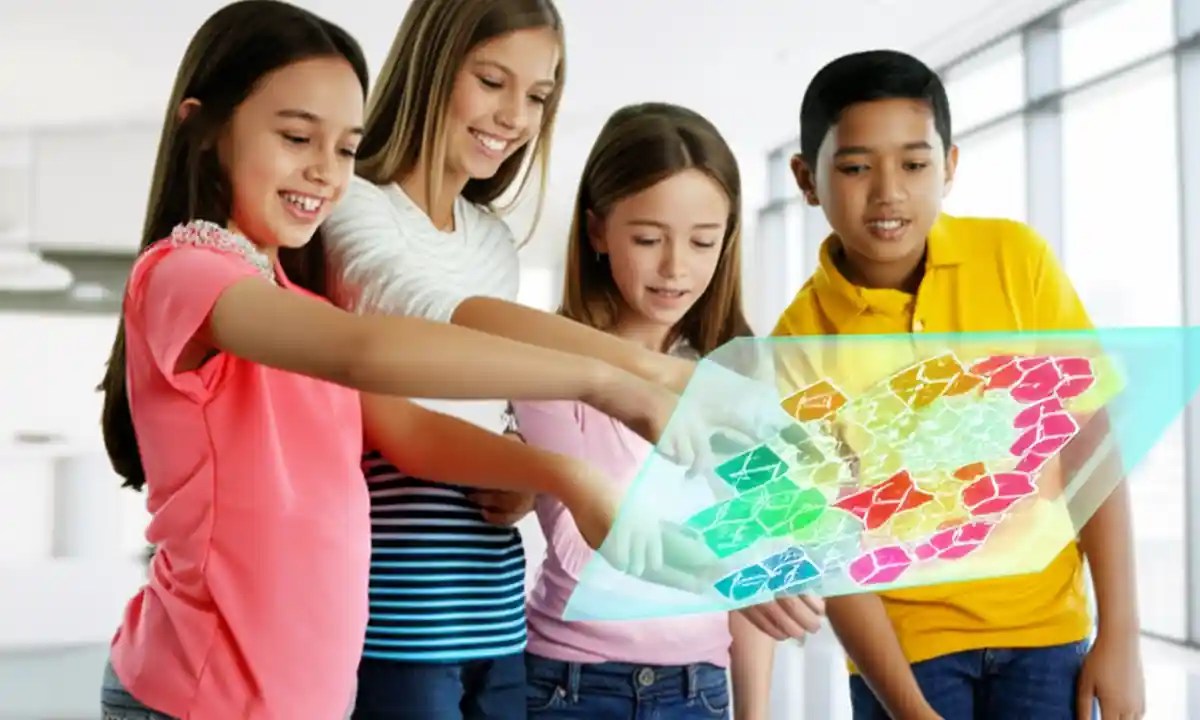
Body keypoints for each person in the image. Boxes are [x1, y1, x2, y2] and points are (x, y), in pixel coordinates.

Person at [94, 3, 679, 717]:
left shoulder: (294, 298)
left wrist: (559, 473)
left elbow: (407, 430)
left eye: (346, 148)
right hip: (194, 696)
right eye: (296, 136)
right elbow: (366, 351)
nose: (325, 171)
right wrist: (609, 381)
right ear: (203, 127)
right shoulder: (184, 272)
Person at [318, 1, 818, 716]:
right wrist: (639, 383)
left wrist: (518, 466)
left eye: (538, 96)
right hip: (407, 613)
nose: (514, 116)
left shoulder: (489, 241)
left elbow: (477, 396)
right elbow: (418, 322)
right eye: (492, 81)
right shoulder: (351, 206)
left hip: (492, 610)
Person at [769, 49, 1146, 720]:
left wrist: (1121, 635)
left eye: (914, 165)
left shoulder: (1017, 261)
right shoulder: (797, 344)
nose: (889, 193)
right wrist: (908, 709)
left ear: (948, 165)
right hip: (903, 654)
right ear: (807, 178)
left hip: (1047, 636)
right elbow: (832, 548)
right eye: (855, 168)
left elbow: (1088, 445)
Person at [510, 101, 767, 719]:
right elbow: (586, 552)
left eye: (702, 242)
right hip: (570, 688)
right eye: (649, 239)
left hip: (699, 691)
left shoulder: (738, 371)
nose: (676, 268)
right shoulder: (549, 359)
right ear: (597, 231)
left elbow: (755, 574)